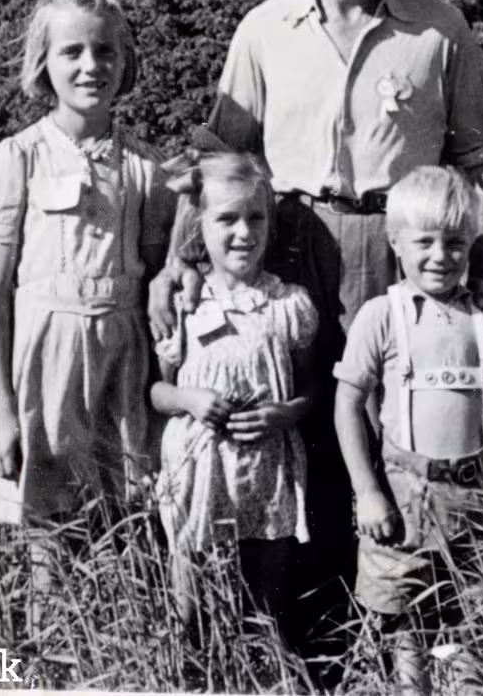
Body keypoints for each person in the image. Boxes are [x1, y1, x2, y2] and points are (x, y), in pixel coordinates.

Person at [151, 0, 483, 640]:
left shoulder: (438, 29)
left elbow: (479, 160)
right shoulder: (265, 30)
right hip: (291, 241)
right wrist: (181, 260)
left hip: (401, 247)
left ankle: (403, 616)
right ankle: (300, 621)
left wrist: (478, 269)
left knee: (391, 414)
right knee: (297, 413)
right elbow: (218, 159)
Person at [0, 0, 171, 559]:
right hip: (45, 366)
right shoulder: (19, 158)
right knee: (50, 532)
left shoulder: (145, 168)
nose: (91, 66)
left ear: (124, 60)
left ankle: (119, 615)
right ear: (44, 63)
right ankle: (49, 616)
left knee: (124, 521)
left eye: (105, 50)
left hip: (123, 362)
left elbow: (156, 282)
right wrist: (1, 411)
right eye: (72, 52)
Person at [333, 166, 483, 696]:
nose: (440, 256)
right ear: (395, 242)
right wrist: (368, 491)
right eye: (424, 242)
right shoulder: (382, 315)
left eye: (455, 243)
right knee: (408, 621)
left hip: (477, 496)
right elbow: (347, 404)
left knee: (472, 617)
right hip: (406, 500)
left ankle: (465, 686)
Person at [151, 152, 317, 642]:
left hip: (266, 474)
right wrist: (190, 399)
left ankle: (268, 666)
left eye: (255, 218)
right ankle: (193, 664)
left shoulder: (288, 304)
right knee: (191, 593)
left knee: (269, 599)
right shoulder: (184, 304)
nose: (244, 233)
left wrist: (285, 413)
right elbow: (157, 392)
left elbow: (312, 389)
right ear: (199, 225)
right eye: (227, 219)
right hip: (199, 473)